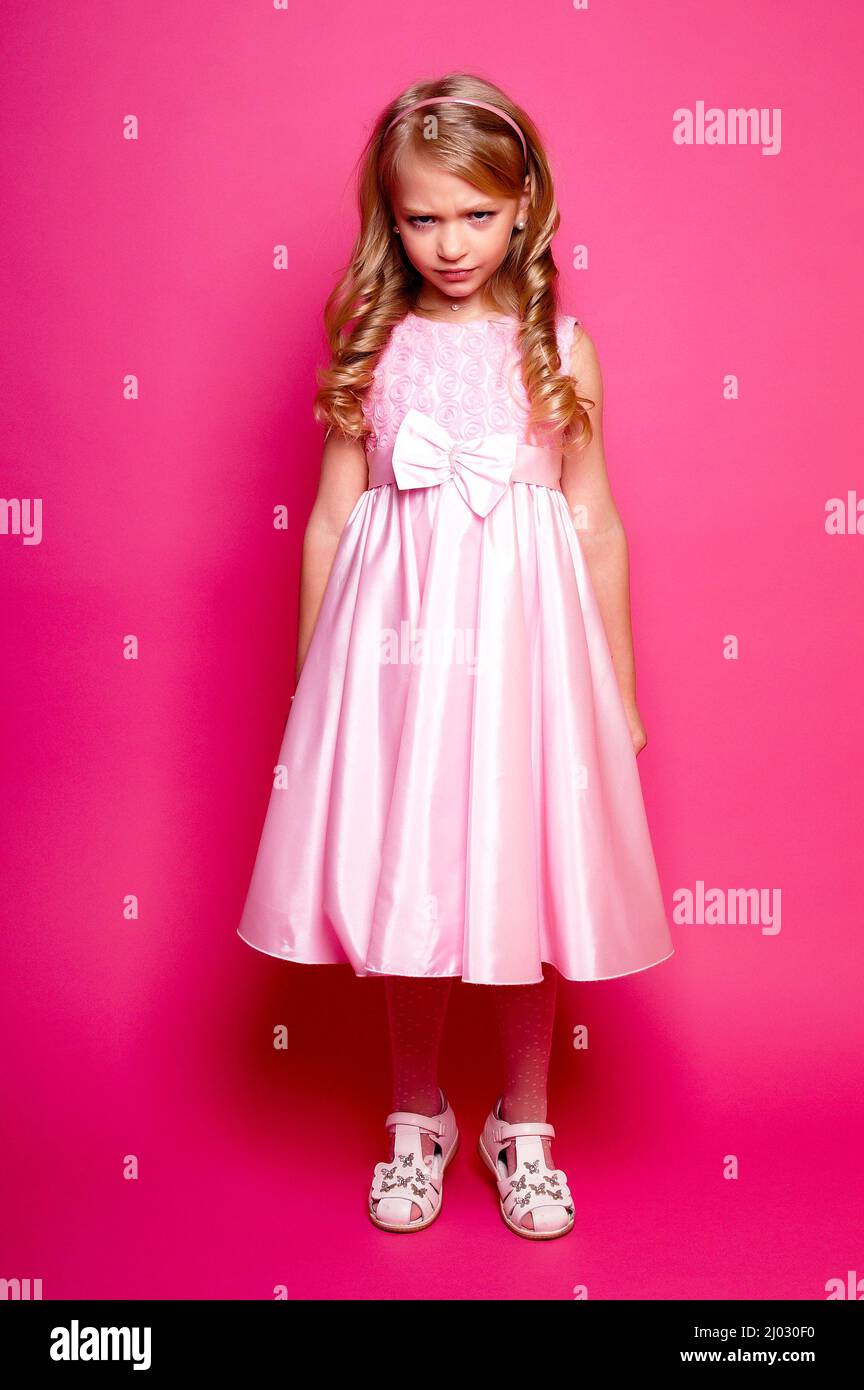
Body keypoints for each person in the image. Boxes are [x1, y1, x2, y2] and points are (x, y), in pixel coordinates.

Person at [237, 73, 674, 1240]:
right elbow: (333, 518)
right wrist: (312, 687)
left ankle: (520, 1123)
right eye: (423, 217)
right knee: (415, 881)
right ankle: (414, 1113)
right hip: (397, 665)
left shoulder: (561, 351)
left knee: (516, 876)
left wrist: (617, 694)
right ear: (391, 216)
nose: (450, 242)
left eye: (475, 215)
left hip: (525, 664)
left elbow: (594, 520)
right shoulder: (375, 346)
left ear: (524, 204)